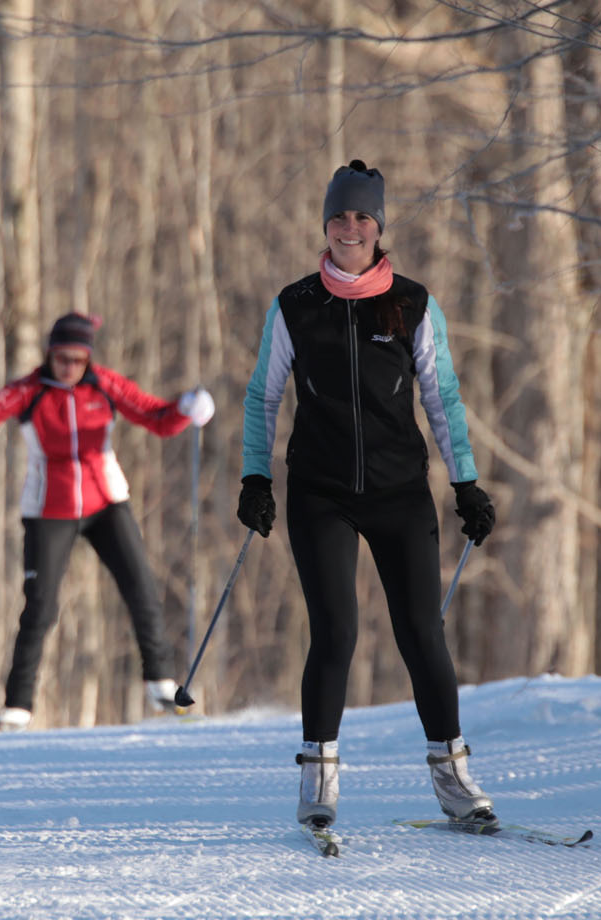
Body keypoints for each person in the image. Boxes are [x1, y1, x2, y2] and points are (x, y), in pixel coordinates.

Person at [235, 160, 499, 831]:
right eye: (339, 215)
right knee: (335, 632)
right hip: (320, 492)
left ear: (379, 227)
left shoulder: (411, 303)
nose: (350, 227)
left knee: (421, 633)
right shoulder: (295, 305)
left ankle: (454, 779)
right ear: (325, 223)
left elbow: (442, 398)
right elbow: (263, 396)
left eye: (362, 217)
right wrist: (255, 478)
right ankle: (317, 784)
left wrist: (465, 482)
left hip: (399, 490)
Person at [0, 314, 215, 730]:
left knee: (140, 586)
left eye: (77, 359)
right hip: (48, 509)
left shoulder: (104, 385)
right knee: (41, 607)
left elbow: (156, 418)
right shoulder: (30, 390)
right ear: (50, 354)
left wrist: (187, 409)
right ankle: (17, 707)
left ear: (88, 359)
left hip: (106, 502)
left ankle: (161, 683)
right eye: (61, 357)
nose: (69, 366)